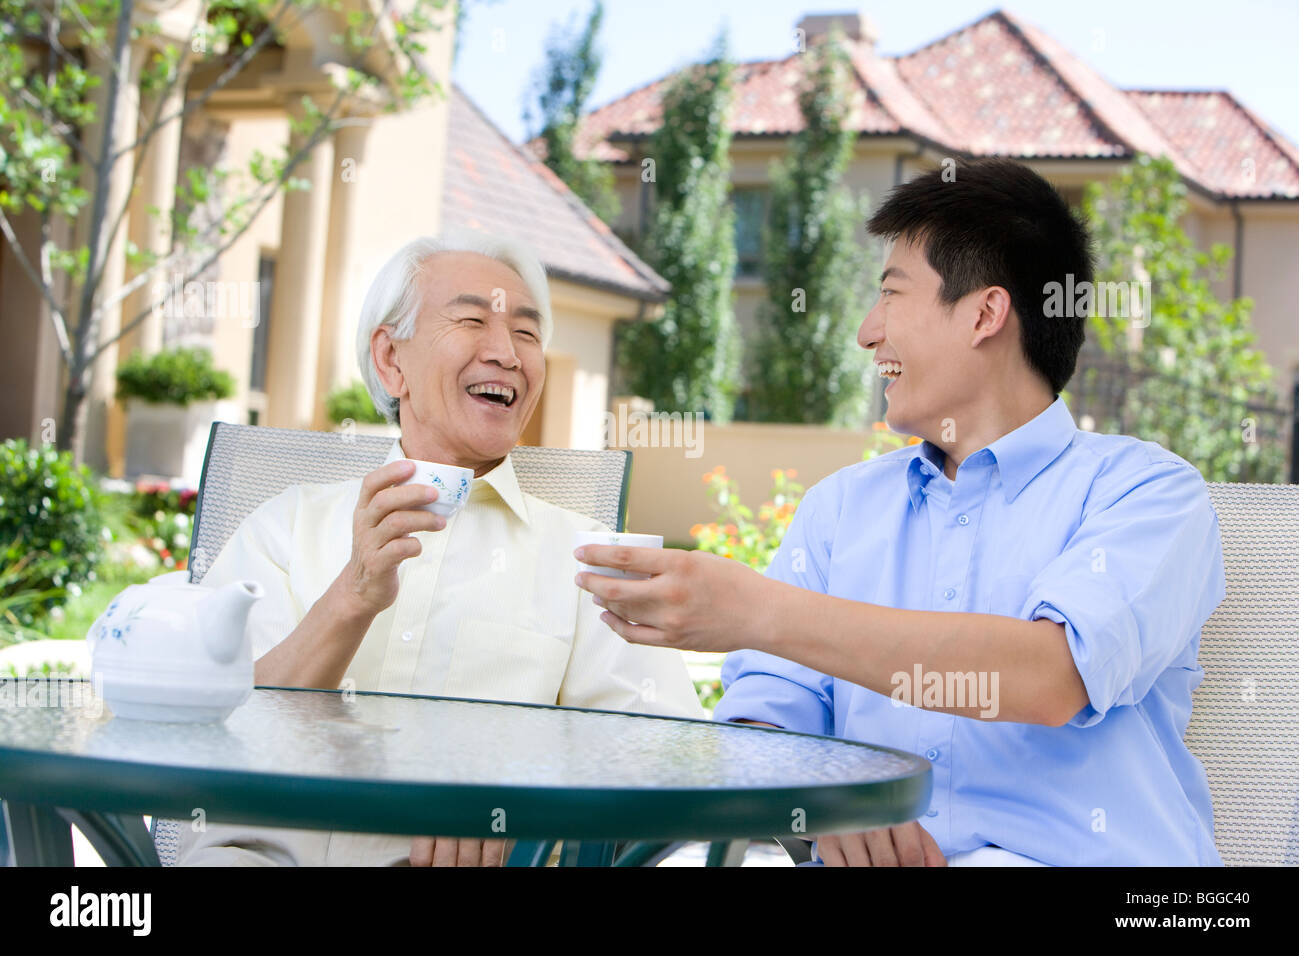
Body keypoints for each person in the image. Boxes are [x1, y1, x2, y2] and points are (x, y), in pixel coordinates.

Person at [574, 159, 1226, 866]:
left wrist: (758, 609)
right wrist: (819, 795)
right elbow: (768, 708)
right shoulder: (841, 508)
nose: (865, 331)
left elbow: (1050, 676)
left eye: (890, 294)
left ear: (985, 313)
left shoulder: (1147, 492)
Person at [177, 233, 705, 867]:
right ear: (391, 360)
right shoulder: (285, 526)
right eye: (472, 320)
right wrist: (352, 597)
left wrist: (520, 800)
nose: (506, 353)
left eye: (528, 334)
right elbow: (208, 735)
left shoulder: (588, 563)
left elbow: (669, 762)